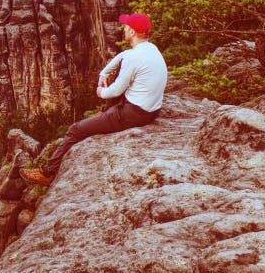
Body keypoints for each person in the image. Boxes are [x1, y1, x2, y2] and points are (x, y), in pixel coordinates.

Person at [19, 13, 167, 186]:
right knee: (119, 78)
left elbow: (116, 90)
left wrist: (101, 92)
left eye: (127, 26)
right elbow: (123, 56)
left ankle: (47, 173)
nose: (124, 28)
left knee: (75, 130)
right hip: (152, 109)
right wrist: (103, 74)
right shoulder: (150, 49)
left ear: (133, 32)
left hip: (133, 114)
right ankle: (105, 115)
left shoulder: (134, 58)